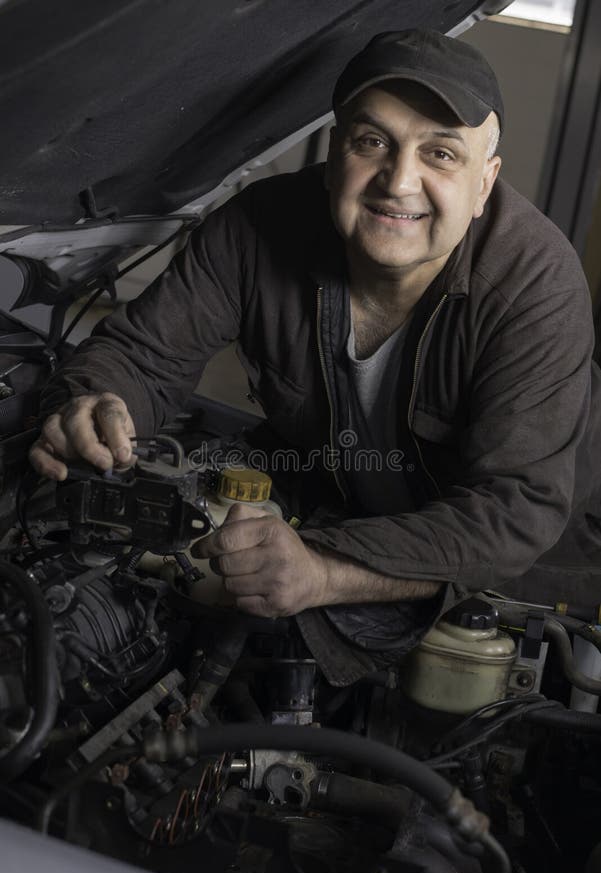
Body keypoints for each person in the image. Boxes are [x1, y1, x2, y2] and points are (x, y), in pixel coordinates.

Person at [28, 30, 601, 685]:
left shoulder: (534, 284)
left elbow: (513, 510)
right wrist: (93, 400)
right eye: (371, 142)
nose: (399, 182)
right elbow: (141, 356)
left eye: (440, 154)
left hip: (520, 573)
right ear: (334, 154)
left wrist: (322, 568)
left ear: (483, 185)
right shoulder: (256, 227)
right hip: (342, 500)